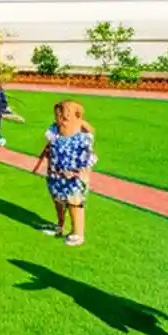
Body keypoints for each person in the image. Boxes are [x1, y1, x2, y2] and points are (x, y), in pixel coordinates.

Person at [40, 100, 94, 246]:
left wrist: (82, 173)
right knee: (58, 200)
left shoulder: (83, 137)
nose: (60, 121)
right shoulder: (54, 131)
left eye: (64, 118)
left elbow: (87, 158)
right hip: (56, 173)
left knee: (75, 203)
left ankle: (78, 233)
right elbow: (49, 143)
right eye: (58, 117)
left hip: (73, 176)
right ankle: (60, 226)